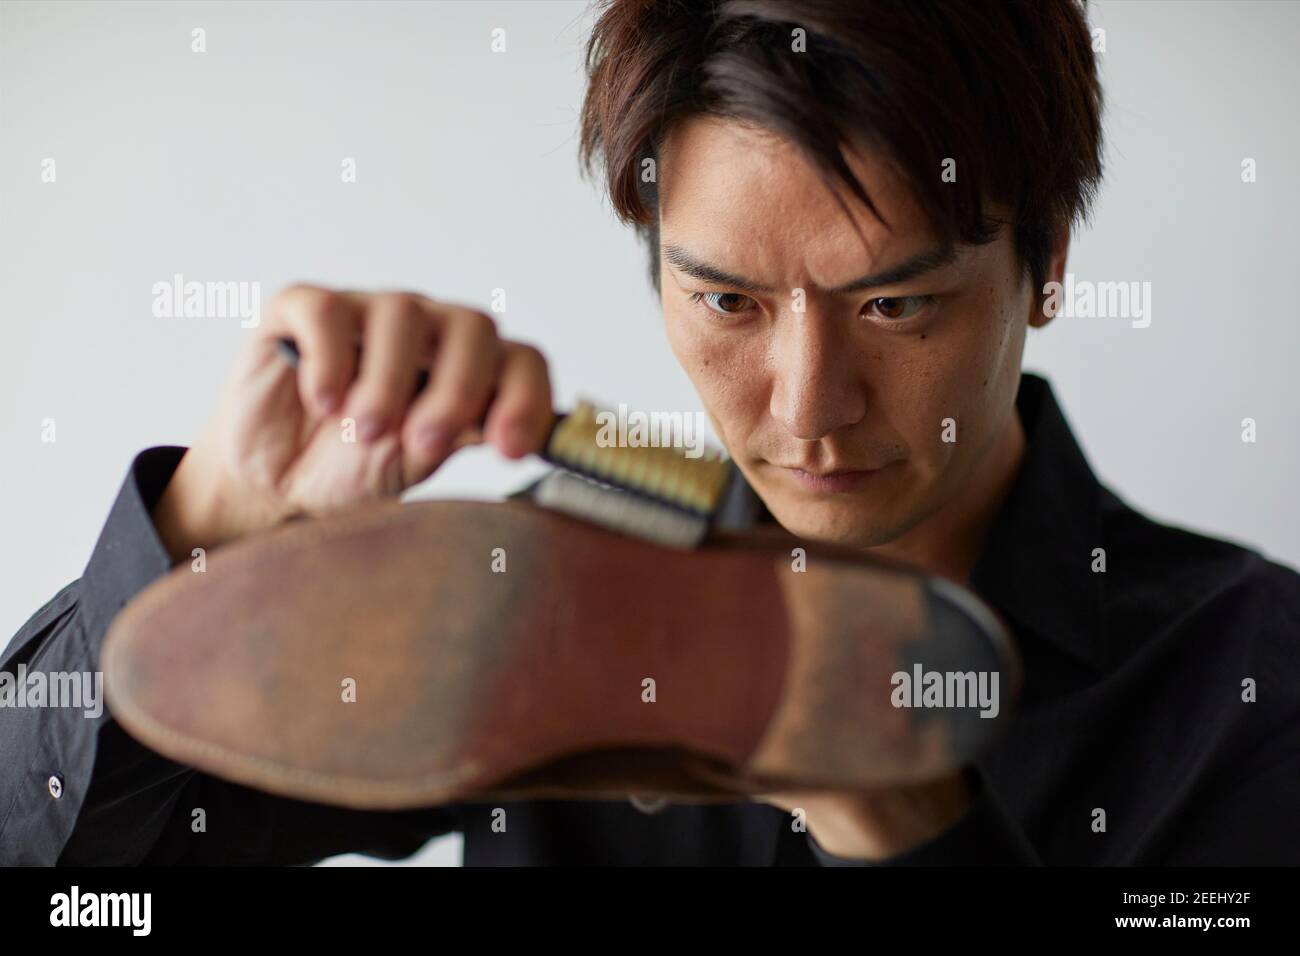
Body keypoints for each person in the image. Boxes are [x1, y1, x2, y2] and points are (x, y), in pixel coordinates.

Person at [3, 0, 1297, 866]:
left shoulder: (1251, 686)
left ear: (1050, 263)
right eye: (726, 299)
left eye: (897, 303)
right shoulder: (544, 580)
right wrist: (200, 546)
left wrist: (897, 814)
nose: (803, 406)